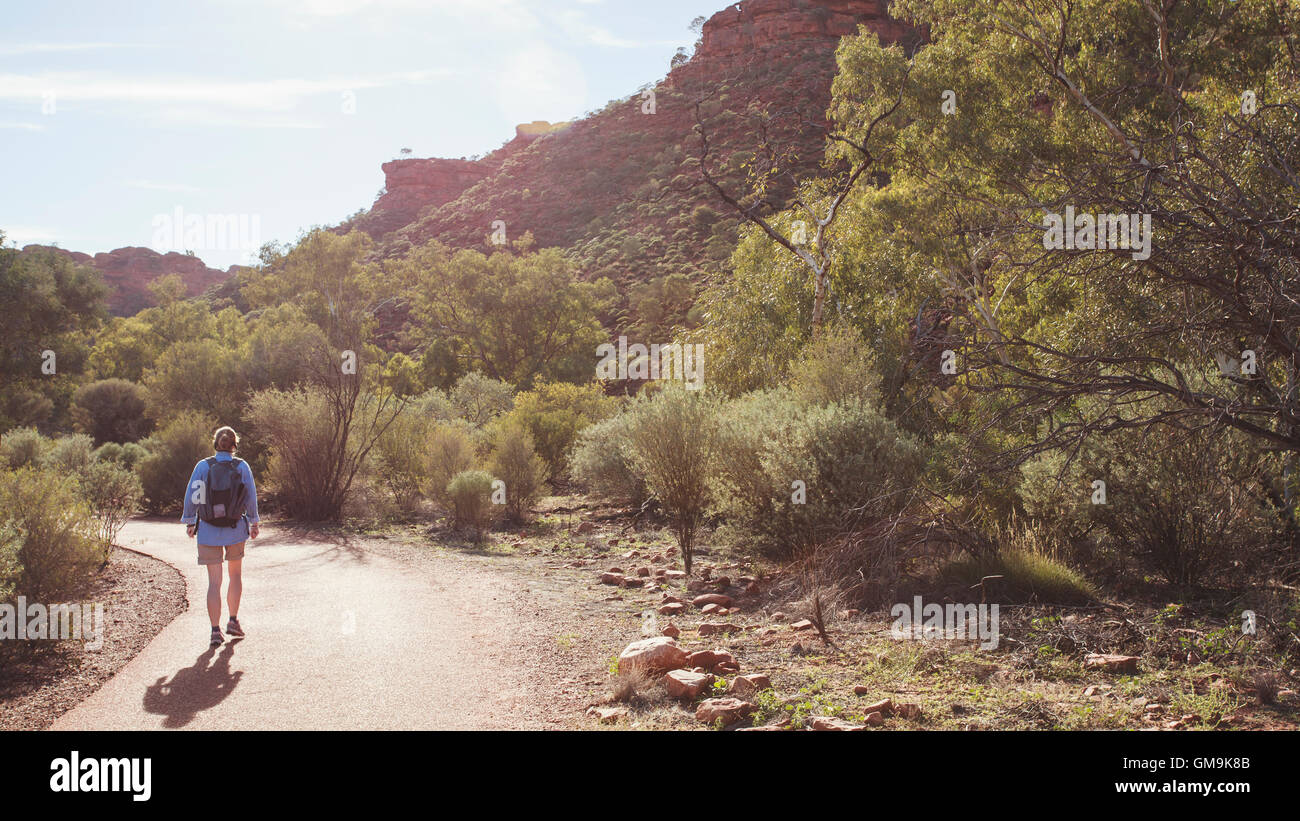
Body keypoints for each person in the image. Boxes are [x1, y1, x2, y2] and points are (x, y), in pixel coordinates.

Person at [181, 426, 261, 648]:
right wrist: (254, 522)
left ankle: (215, 631)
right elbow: (251, 496)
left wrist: (189, 521)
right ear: (235, 444)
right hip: (235, 529)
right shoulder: (242, 466)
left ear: (215, 443)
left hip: (207, 529)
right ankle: (233, 621)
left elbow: (192, 494)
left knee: (214, 582)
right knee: (235, 575)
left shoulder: (203, 466)